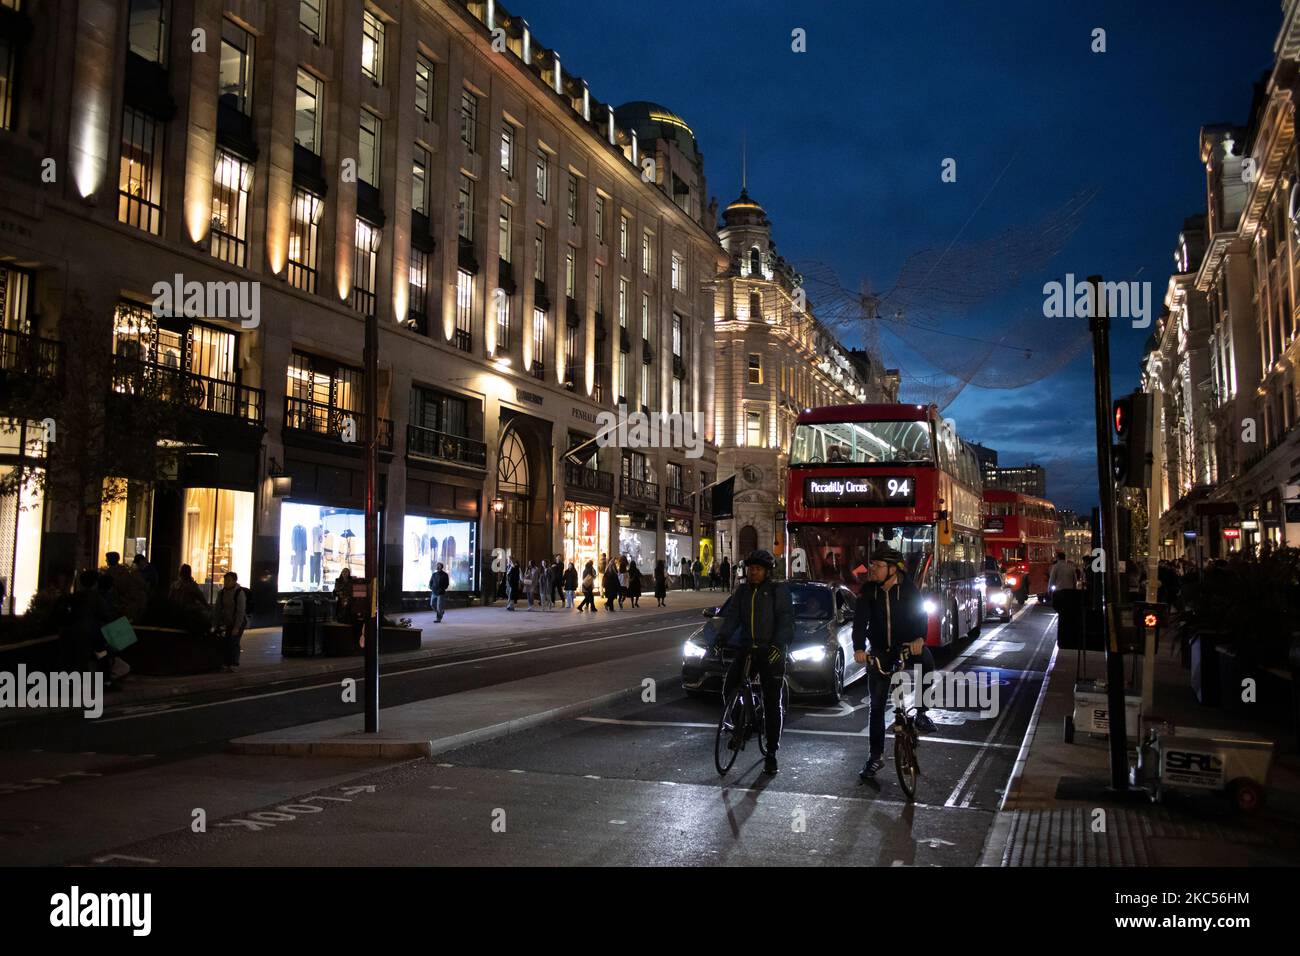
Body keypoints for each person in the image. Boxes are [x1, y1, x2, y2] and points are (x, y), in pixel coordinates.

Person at [852, 545, 937, 781]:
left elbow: (920, 614)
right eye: (872, 565)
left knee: (927, 663)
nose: (873, 570)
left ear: (892, 569)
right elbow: (860, 622)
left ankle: (921, 711)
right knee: (877, 706)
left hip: (907, 645)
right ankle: (875, 756)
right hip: (880, 650)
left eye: (878, 566)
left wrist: (920, 637)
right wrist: (859, 648)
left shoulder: (908, 589)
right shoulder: (869, 591)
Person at [713, 549, 793, 775]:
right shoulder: (743, 592)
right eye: (750, 569)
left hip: (770, 651)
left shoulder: (777, 591)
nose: (753, 573)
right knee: (730, 687)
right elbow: (733, 618)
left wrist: (779, 645)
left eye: (757, 569)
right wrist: (722, 639)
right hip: (748, 648)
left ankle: (771, 753)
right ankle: (742, 728)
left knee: (771, 701)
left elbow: (786, 620)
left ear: (767, 571)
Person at [215, 571, 248, 672]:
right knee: (226, 641)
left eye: (229, 580)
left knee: (234, 641)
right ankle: (226, 663)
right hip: (228, 621)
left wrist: (237, 627)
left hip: (239, 621)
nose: (226, 582)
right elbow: (217, 609)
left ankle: (233, 664)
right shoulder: (221, 593)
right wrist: (216, 623)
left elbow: (240, 611)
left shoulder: (239, 593)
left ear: (234, 581)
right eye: (225, 580)